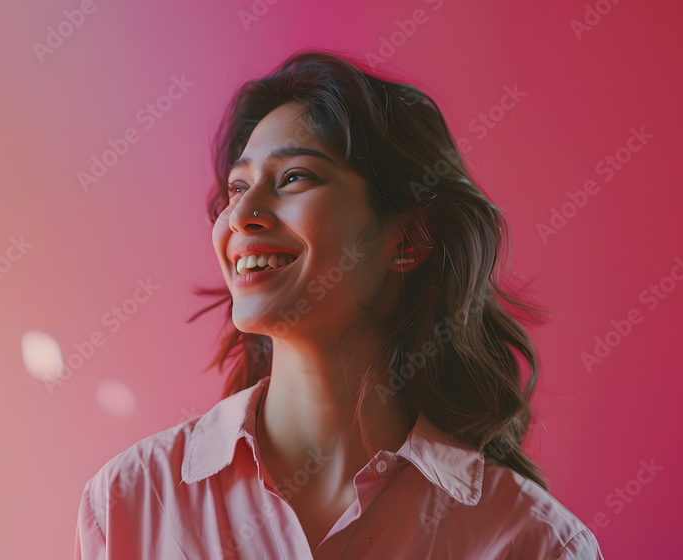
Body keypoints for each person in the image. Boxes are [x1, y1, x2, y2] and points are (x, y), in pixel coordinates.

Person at [74, 48, 604, 559]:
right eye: (237, 188)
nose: (241, 215)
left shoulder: (535, 544)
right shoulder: (129, 502)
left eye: (293, 177)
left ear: (407, 240)